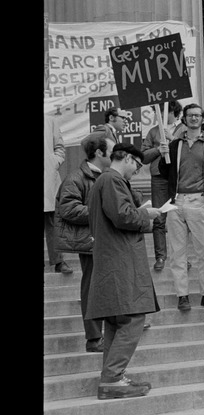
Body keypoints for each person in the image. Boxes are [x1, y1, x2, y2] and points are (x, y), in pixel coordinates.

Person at [85, 143, 162, 399]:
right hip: (120, 261)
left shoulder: (105, 181)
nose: (137, 172)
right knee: (132, 318)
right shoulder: (112, 180)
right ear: (127, 158)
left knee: (117, 322)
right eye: (137, 166)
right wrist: (147, 214)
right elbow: (123, 216)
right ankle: (113, 378)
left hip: (113, 259)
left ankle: (112, 377)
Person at [158, 103, 204, 312]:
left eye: (197, 115)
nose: (194, 119)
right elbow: (164, 173)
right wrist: (163, 156)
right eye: (190, 115)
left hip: (197, 201)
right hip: (176, 201)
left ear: (203, 119)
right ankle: (182, 296)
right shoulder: (174, 144)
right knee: (177, 253)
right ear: (184, 119)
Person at [55, 133, 113, 353]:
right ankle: (94, 338)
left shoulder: (106, 175)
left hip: (107, 239)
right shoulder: (76, 177)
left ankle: (119, 324)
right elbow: (67, 209)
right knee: (92, 289)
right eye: (111, 149)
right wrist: (100, 211)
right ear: (99, 153)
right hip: (90, 241)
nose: (115, 153)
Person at [141, 99, 184, 270]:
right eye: (156, 111)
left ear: (175, 113)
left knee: (179, 218)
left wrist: (172, 139)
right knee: (159, 218)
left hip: (179, 177)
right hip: (159, 177)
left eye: (165, 112)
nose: (161, 115)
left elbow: (189, 150)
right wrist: (158, 150)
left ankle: (180, 256)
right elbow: (143, 156)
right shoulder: (153, 132)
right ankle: (160, 257)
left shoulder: (184, 129)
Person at [45, 114, 71, 273]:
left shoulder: (50, 120)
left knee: (52, 222)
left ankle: (58, 261)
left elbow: (60, 147)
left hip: (47, 177)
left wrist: (54, 162)